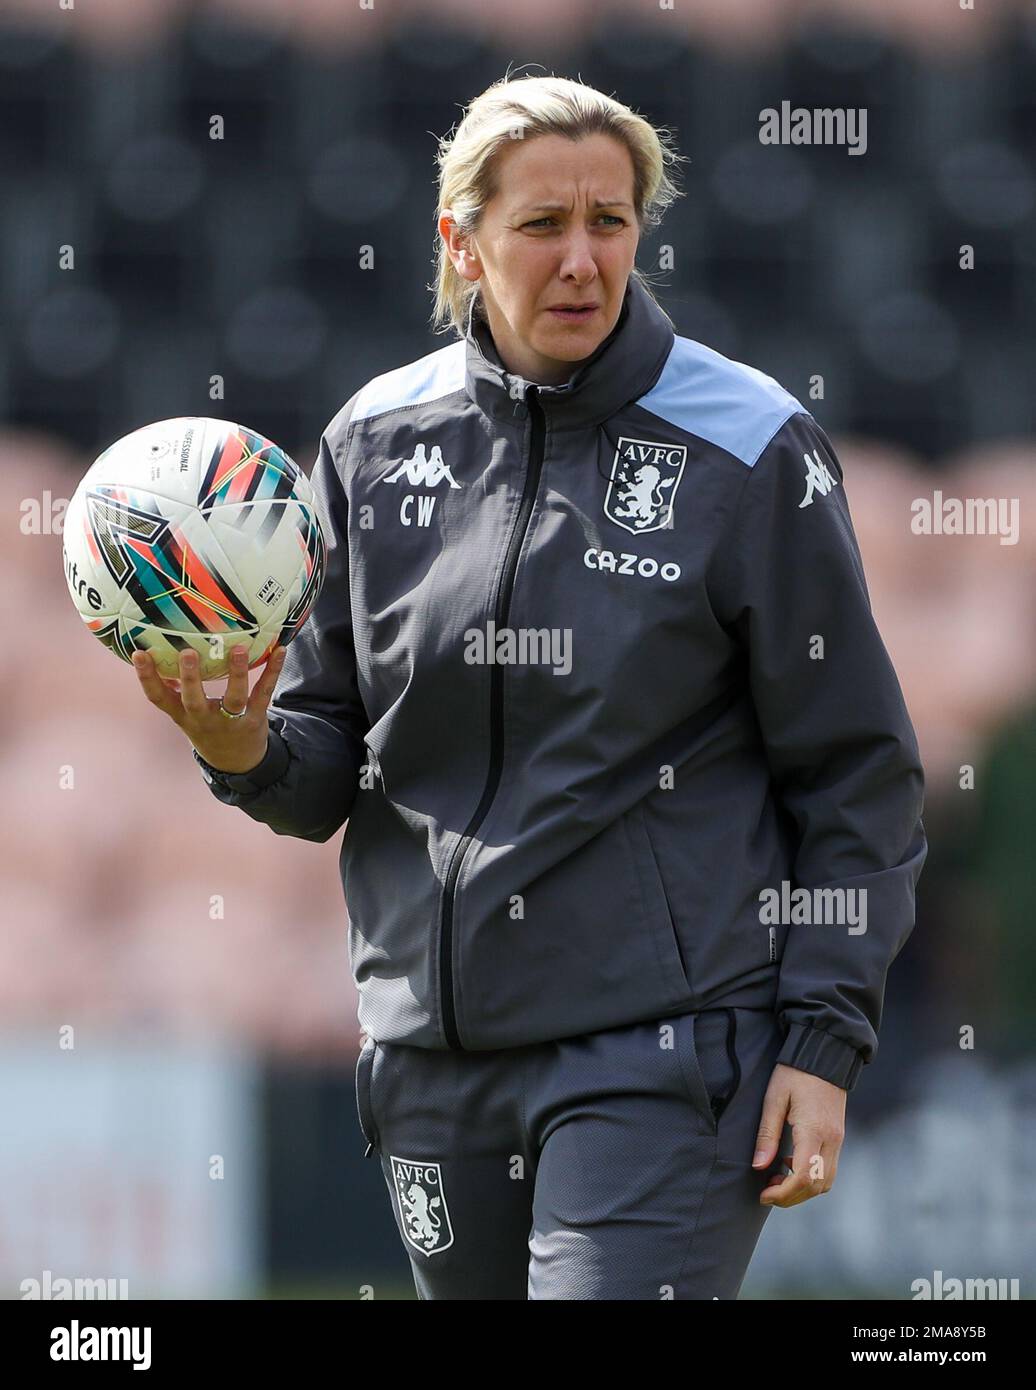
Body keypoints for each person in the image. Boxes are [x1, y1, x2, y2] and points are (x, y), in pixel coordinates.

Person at [132, 73, 927, 1300]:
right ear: (460, 241)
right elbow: (326, 768)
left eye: (609, 222)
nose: (581, 261)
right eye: (542, 226)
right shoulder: (369, 443)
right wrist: (239, 744)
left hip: (664, 1053)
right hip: (430, 1060)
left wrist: (823, 1041)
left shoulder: (749, 445)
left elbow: (856, 771)